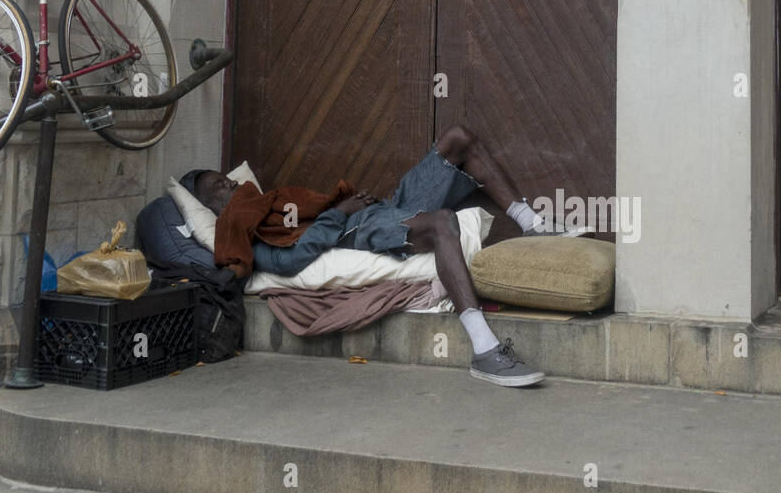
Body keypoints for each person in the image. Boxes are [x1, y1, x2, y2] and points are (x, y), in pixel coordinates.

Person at [187, 126, 586, 390]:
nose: (232, 183)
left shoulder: (266, 204)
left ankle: (531, 222)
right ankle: (484, 349)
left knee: (458, 138)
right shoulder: (242, 231)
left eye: (227, 178)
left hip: (380, 210)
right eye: (220, 186)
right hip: (359, 230)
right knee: (442, 223)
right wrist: (339, 213)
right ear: (211, 206)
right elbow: (291, 261)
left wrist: (344, 206)